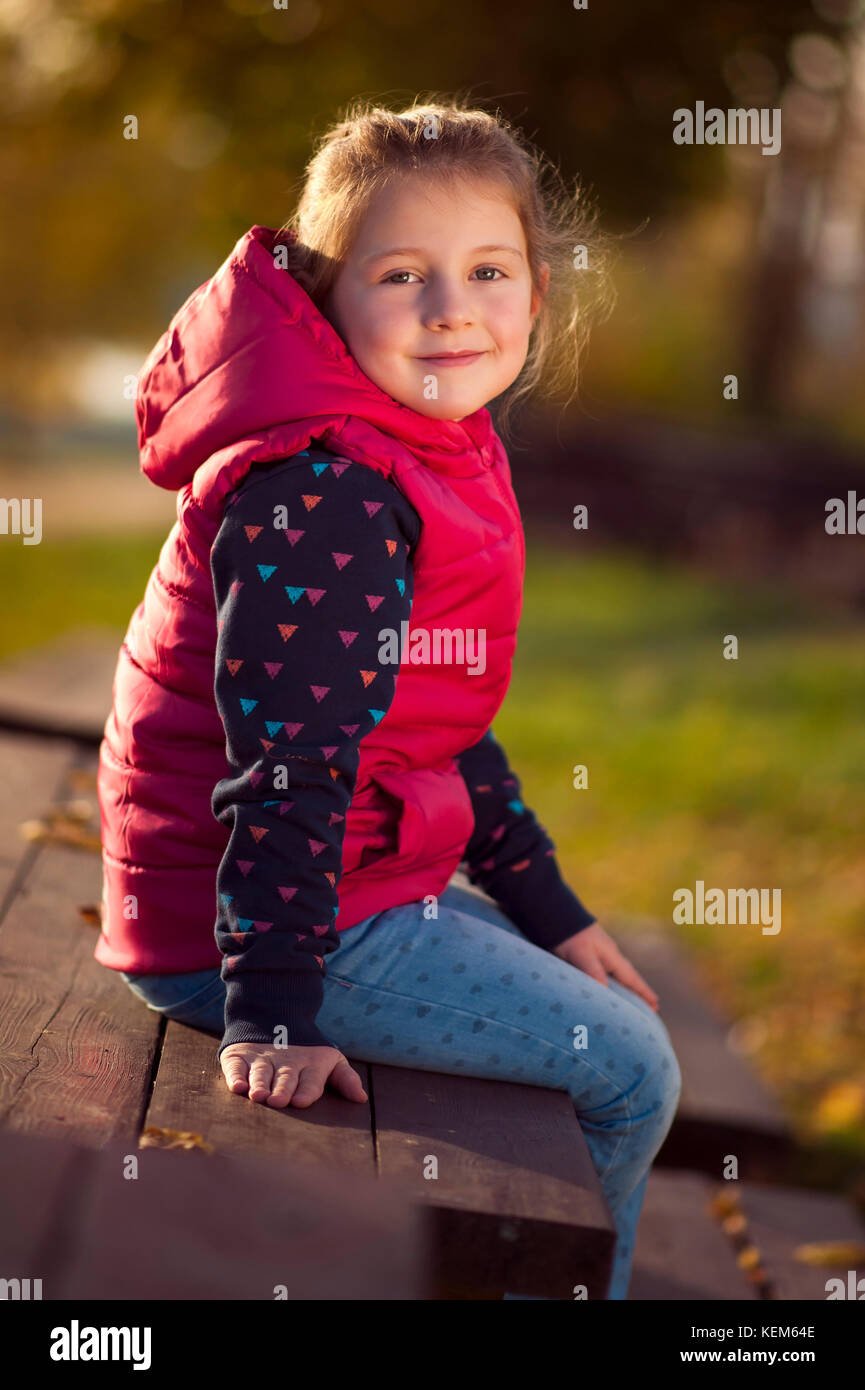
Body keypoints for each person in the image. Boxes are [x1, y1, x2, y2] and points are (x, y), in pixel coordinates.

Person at [96, 97, 681, 1300]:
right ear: (323, 297)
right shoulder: (333, 487)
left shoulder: (430, 445)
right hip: (244, 925)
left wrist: (549, 907)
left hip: (336, 881)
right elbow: (286, 768)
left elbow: (437, 724)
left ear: (537, 294)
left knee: (598, 1009)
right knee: (629, 1066)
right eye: (401, 273)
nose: (451, 307)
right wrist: (270, 1013)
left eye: (487, 269)